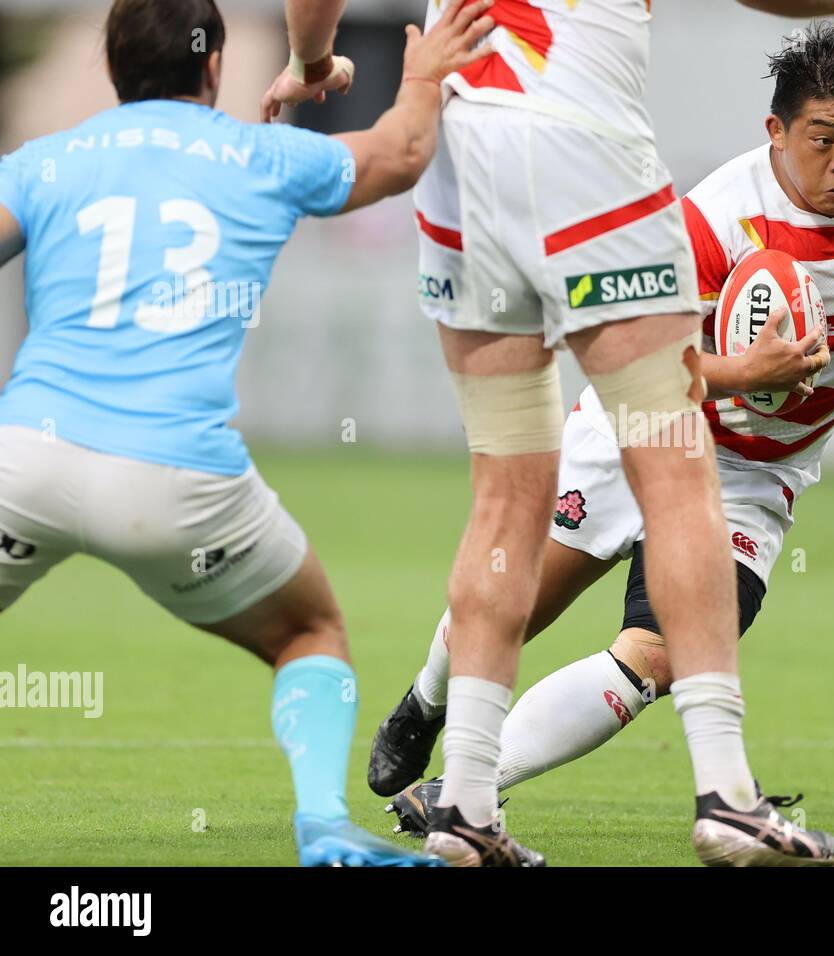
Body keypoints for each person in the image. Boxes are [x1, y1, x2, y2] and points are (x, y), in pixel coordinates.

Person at [265, 0, 834, 867]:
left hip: (462, 141)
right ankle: (727, 802)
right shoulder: (725, 207)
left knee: (505, 488)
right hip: (580, 133)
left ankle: (468, 804)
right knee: (675, 467)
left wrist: (312, 58)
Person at [0, 0, 494, 865]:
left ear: (114, 67)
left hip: (25, 462)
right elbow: (400, 153)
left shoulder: (44, 163)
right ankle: (322, 828)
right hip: (177, 482)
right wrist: (422, 77)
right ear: (215, 65)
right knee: (309, 633)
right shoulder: (261, 155)